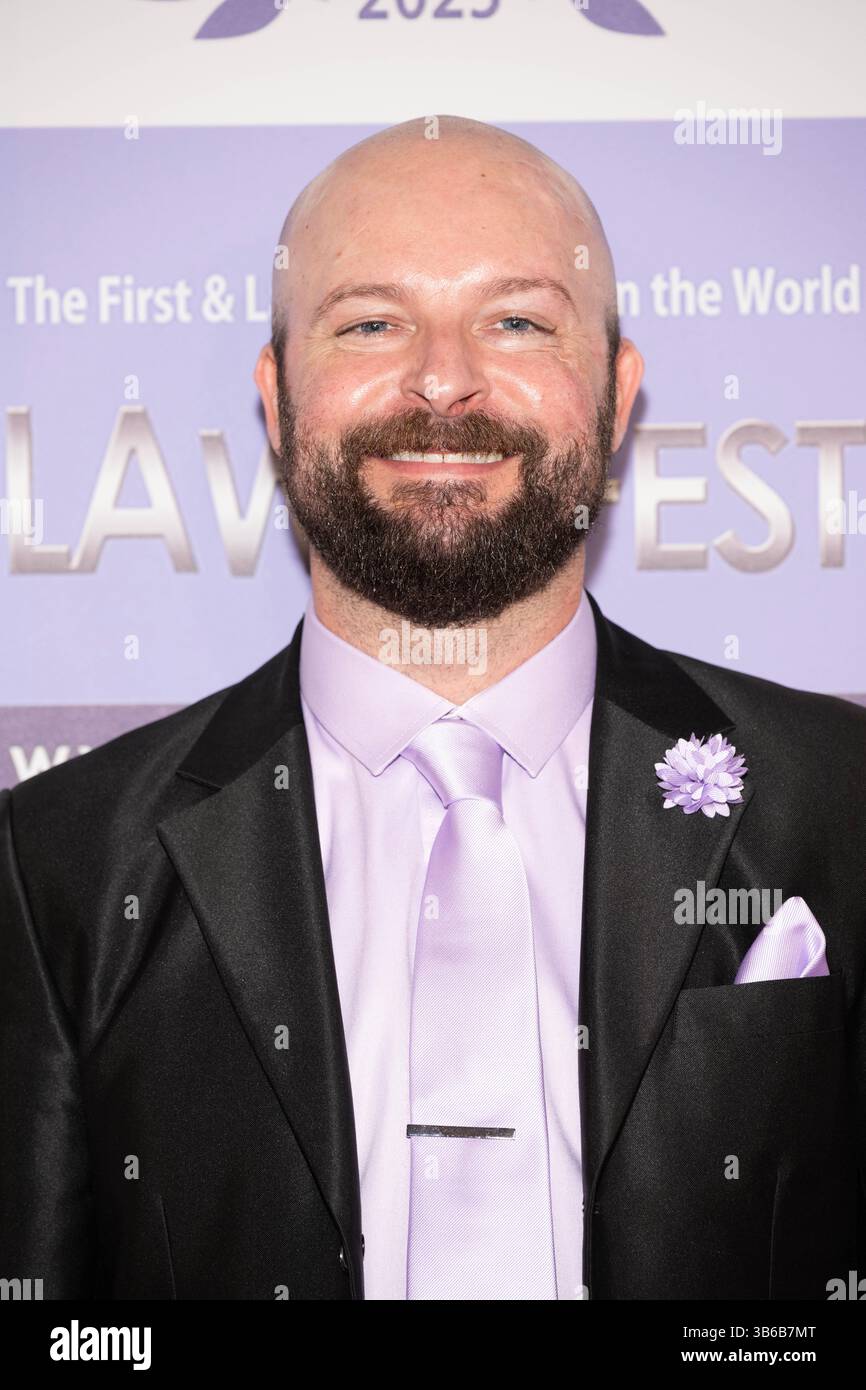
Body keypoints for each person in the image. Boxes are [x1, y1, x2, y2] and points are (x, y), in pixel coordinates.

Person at [1, 115, 863, 1301]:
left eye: (514, 319)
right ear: (276, 397)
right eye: (369, 322)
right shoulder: (60, 863)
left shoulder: (842, 799)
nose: (443, 377)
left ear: (614, 396)